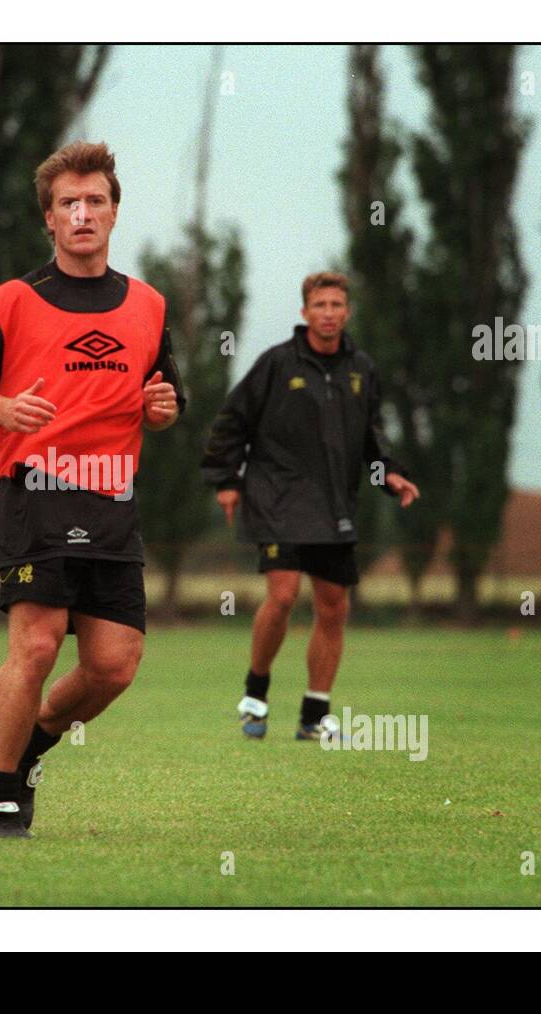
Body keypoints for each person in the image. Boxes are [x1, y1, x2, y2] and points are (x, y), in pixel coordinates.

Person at [0, 141, 185, 838]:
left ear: (115, 210)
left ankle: (32, 741)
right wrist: (3, 410)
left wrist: (163, 409)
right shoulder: (12, 301)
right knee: (36, 645)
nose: (83, 213)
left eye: (95, 200)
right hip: (33, 489)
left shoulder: (150, 305)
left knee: (114, 665)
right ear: (49, 219)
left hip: (112, 497)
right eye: (68, 203)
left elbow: (167, 396)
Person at [201, 272, 419, 740]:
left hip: (334, 504)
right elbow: (231, 420)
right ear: (304, 313)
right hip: (275, 499)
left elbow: (373, 434)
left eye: (337, 304)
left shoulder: (361, 369)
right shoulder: (276, 364)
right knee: (282, 597)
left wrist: (389, 473)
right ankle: (255, 696)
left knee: (334, 607)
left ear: (347, 312)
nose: (328, 312)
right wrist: (226, 480)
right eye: (319, 304)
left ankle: (314, 716)